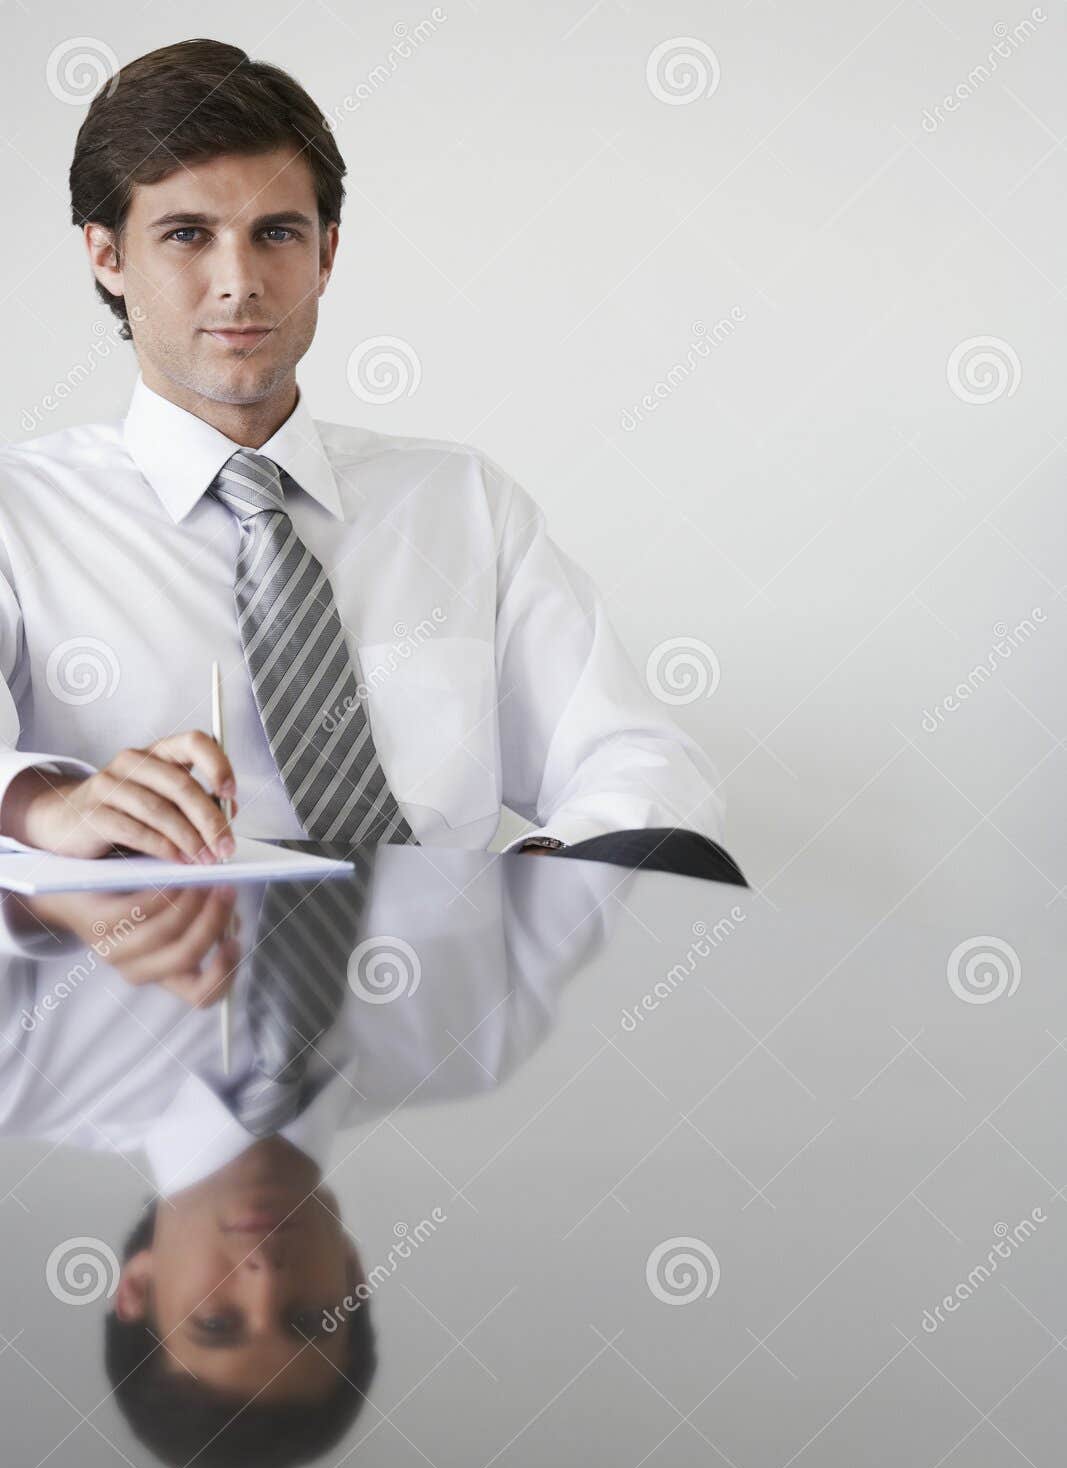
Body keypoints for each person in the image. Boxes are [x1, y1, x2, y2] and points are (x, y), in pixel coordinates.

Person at [0, 38, 732, 878]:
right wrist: (48, 805)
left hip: (442, 987)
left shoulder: (460, 502)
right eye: (187, 234)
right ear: (107, 256)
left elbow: (644, 763)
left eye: (275, 232)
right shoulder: (16, 516)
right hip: (151, 987)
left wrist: (529, 890)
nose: (238, 281)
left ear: (327, 254)